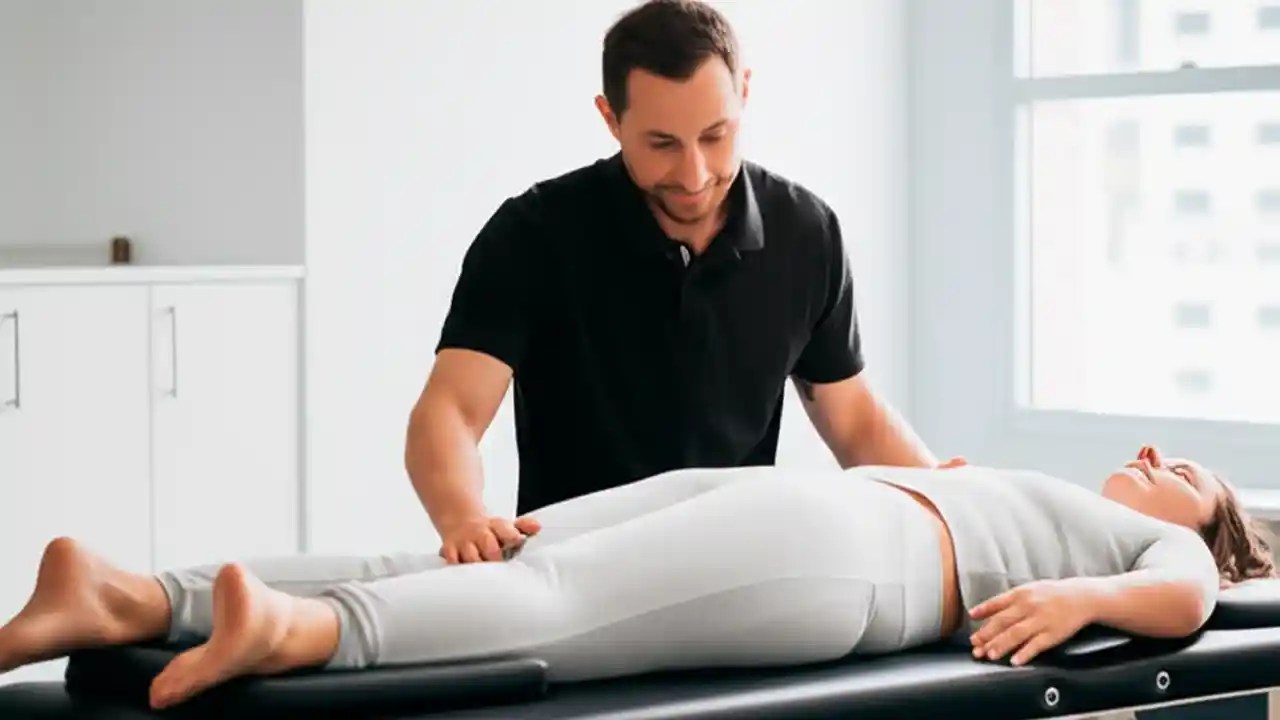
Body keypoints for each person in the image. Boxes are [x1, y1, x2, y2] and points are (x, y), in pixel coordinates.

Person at [0, 445, 1273, 710]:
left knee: (553, 605)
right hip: (793, 503)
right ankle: (128, 598)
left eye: (1188, 471)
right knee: (505, 548)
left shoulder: (1147, 552)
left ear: (1208, 523)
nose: (1156, 461)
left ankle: (295, 634)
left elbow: (1190, 604)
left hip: (859, 562)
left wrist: (1083, 603)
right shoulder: (1044, 485)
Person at [405, 0, 954, 566]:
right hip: (574, 570)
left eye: (716, 136)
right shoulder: (532, 234)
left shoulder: (806, 232)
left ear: (744, 92)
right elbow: (452, 409)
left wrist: (949, 498)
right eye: (662, 144)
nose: (694, 175)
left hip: (736, 572)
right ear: (610, 119)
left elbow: (854, 420)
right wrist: (462, 517)